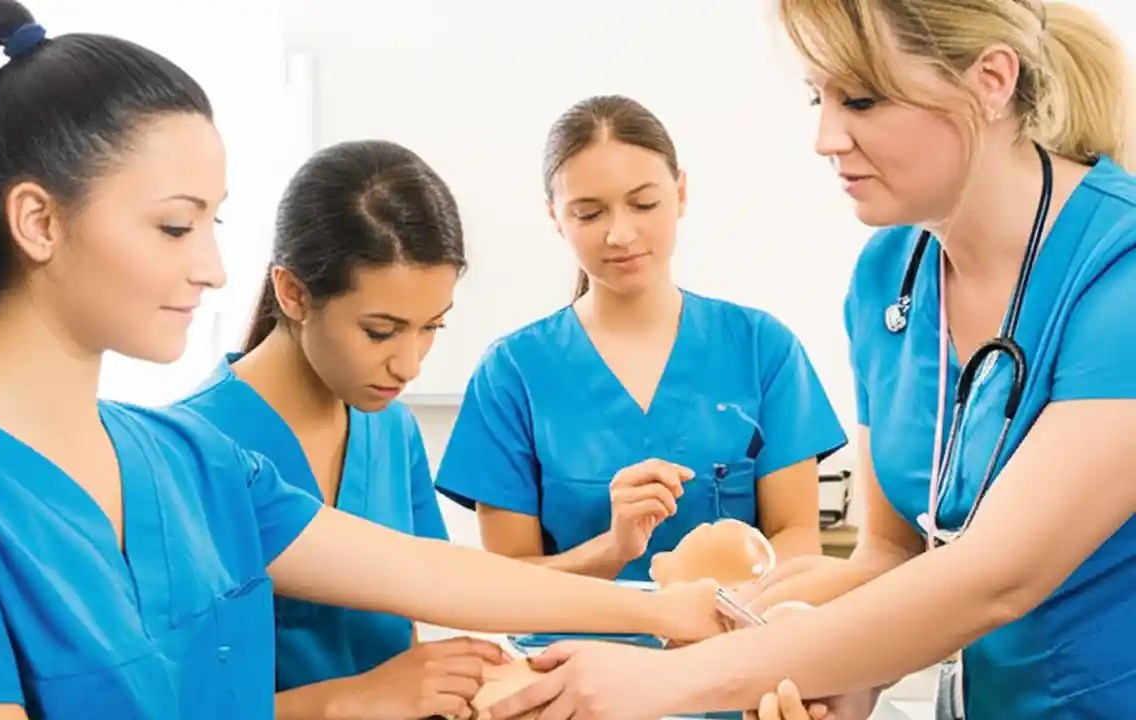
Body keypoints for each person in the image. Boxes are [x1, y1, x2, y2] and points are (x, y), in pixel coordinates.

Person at [0, 3, 731, 719]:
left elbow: (428, 572)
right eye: (174, 225)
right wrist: (341, 707)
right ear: (39, 222)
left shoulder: (187, 463)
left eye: (214, 223)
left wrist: (663, 610)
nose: (212, 267)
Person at [478, 1, 1136, 719]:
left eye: (861, 98)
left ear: (991, 80)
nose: (825, 138)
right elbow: (893, 554)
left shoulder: (1118, 266)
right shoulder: (891, 279)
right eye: (817, 98)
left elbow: (999, 575)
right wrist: (849, 678)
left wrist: (676, 680)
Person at [434, 94, 847, 584]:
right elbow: (507, 581)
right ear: (554, 217)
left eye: (644, 203)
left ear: (682, 193)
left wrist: (721, 615)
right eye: (589, 214)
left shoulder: (763, 350)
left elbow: (796, 541)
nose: (621, 235)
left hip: (730, 652)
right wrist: (613, 548)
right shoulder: (512, 374)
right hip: (575, 654)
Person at [175, 138, 487, 718]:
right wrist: (351, 701)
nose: (410, 364)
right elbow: (173, 701)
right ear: (292, 292)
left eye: (431, 328)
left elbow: (426, 596)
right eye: (380, 331)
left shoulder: (392, 429)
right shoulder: (187, 450)